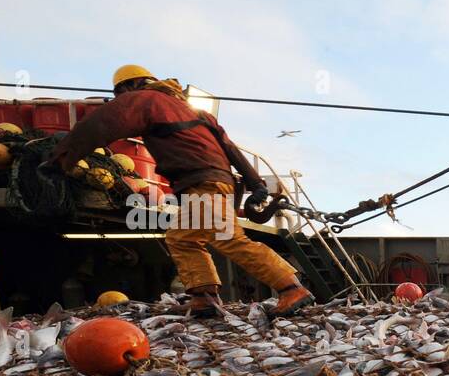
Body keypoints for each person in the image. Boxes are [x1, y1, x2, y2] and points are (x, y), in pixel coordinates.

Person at [50, 64, 314, 318]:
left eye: (120, 94)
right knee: (182, 238)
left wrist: (59, 159)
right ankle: (205, 297)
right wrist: (255, 184)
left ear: (129, 86)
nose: (121, 99)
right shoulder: (195, 111)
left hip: (203, 183)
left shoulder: (144, 100)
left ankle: (291, 289)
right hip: (215, 183)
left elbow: (102, 123)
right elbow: (230, 148)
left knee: (228, 239)